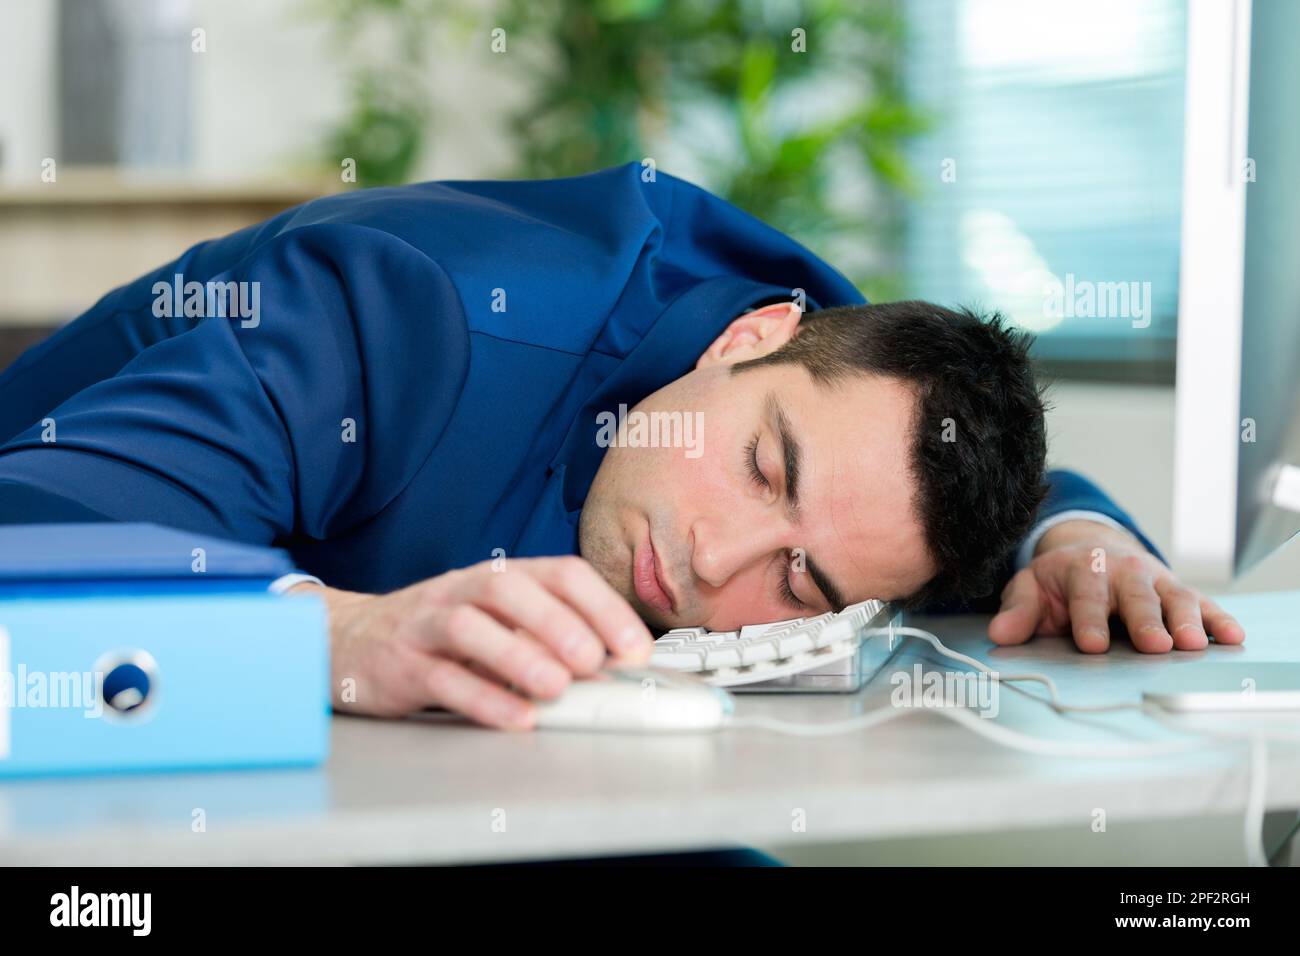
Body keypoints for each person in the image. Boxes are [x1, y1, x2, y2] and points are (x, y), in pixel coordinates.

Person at [0, 163, 1244, 731]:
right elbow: (39, 527)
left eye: (799, 584)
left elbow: (922, 518)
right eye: (763, 470)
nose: (714, 563)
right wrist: (342, 634)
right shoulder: (400, 313)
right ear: (742, 341)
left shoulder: (834, 397)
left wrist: (1071, 533)